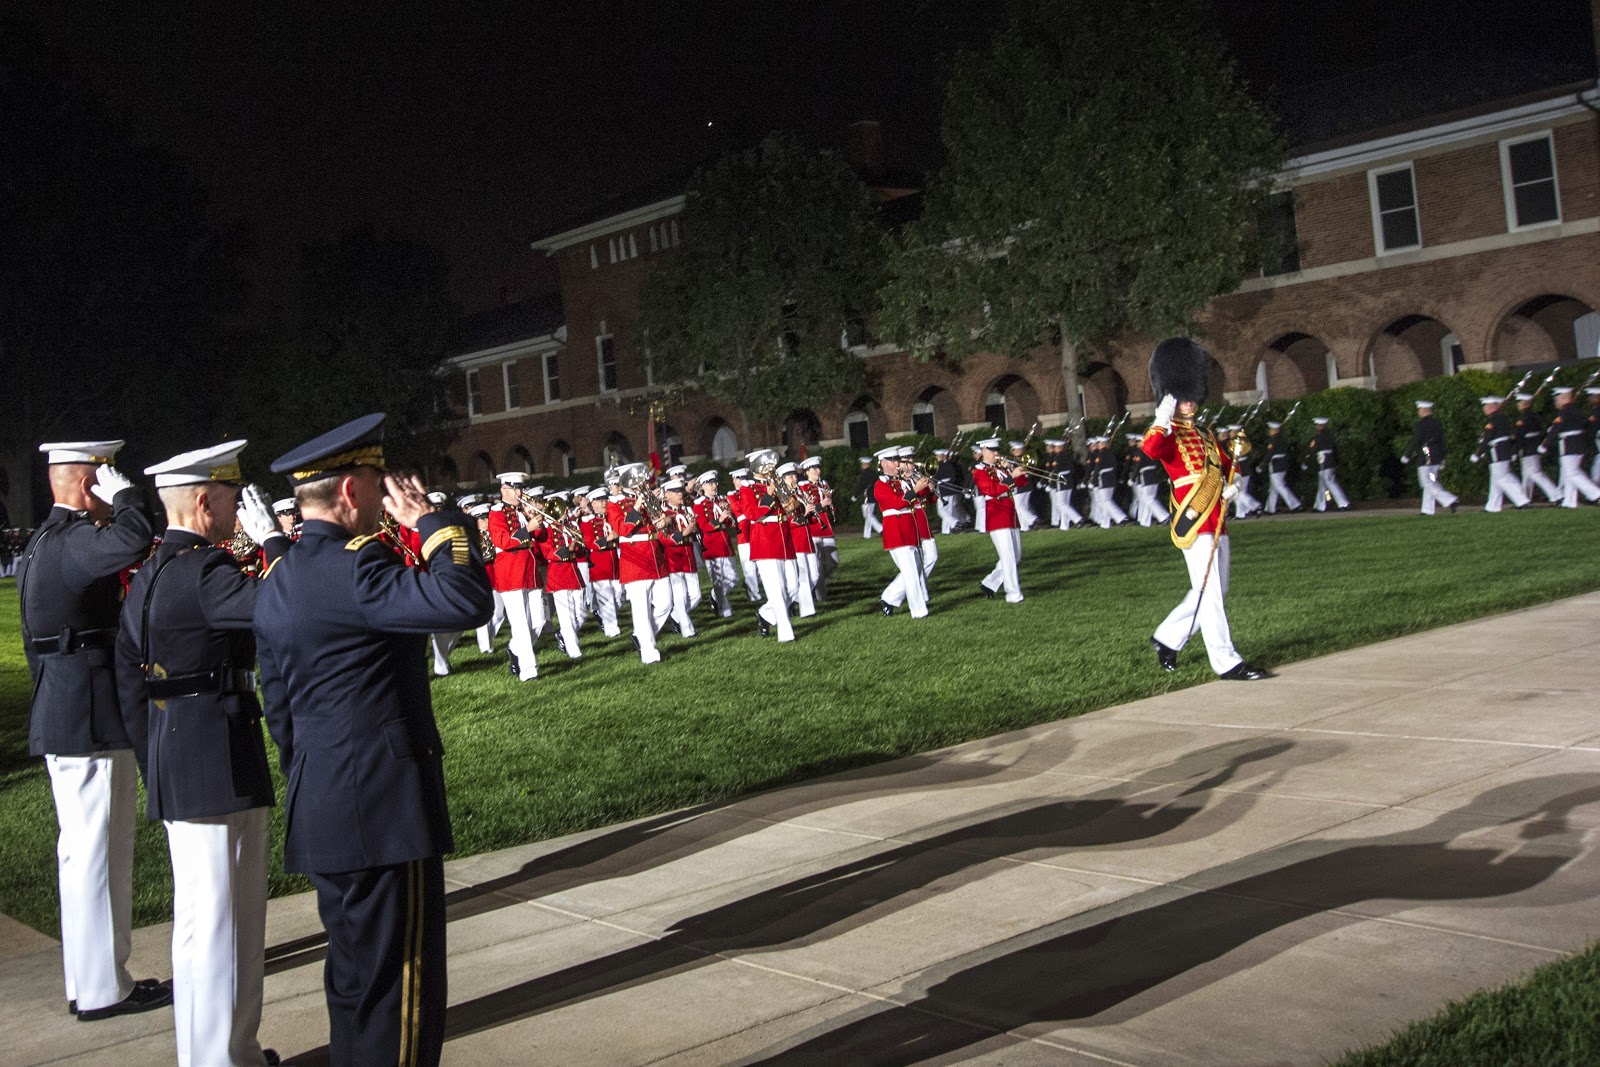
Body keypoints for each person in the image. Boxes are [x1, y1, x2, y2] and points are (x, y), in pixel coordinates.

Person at [255, 413, 492, 1067]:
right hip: (386, 813)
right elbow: (464, 599)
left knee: (356, 989)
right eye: (378, 482)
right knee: (403, 999)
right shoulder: (359, 568)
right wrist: (436, 524)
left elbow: (279, 709)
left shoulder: (277, 583)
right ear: (352, 493)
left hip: (323, 806)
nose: (390, 497)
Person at [116, 442, 286, 1067]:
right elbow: (286, 606)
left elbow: (128, 670)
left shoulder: (151, 574)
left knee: (198, 923)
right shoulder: (206, 571)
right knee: (229, 924)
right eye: (233, 497)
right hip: (219, 753)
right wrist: (274, 546)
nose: (239, 506)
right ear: (204, 500)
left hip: (178, 751)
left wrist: (154, 745)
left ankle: (208, 1054)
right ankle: (227, 1058)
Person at [18, 440, 170, 1022]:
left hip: (67, 709)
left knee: (81, 855)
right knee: (100, 855)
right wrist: (128, 496)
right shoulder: (76, 539)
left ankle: (90, 980)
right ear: (88, 485)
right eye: (103, 477)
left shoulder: (43, 542)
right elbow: (134, 538)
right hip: (89, 715)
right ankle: (107, 987)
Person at [1142, 338, 1268, 681]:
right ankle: (1226, 661)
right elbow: (1151, 449)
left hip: (1217, 516)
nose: (1191, 404)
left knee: (1213, 591)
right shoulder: (1168, 434)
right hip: (1193, 518)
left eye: (1193, 398)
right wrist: (1162, 416)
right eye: (1183, 398)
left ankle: (1167, 637)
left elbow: (1229, 464)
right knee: (1210, 594)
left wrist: (1235, 483)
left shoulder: (1205, 434)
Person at [609, 465, 673, 662]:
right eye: (637, 480)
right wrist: (637, 505)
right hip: (634, 558)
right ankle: (649, 653)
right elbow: (622, 529)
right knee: (641, 609)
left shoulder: (649, 498)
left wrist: (665, 520)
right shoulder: (615, 504)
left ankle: (642, 635)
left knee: (666, 603)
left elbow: (662, 517)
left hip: (655, 555)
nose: (643, 484)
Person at [488, 474, 546, 680]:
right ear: (504, 490)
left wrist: (538, 521)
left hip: (530, 571)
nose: (520, 493)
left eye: (520, 489)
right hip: (511, 572)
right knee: (520, 624)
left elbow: (541, 538)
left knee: (538, 621)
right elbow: (502, 540)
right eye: (515, 489)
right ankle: (528, 671)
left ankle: (514, 648)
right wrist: (527, 529)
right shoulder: (496, 512)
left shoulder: (522, 511)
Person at [739, 450, 799, 641]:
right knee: (776, 590)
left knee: (793, 586)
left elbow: (791, 506)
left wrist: (793, 504)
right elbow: (751, 513)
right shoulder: (747, 488)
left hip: (783, 536)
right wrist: (770, 493)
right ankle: (785, 632)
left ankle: (765, 614)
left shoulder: (777, 483)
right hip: (765, 539)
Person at [872, 447, 933, 618]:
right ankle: (919, 611)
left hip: (910, 529)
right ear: (883, 463)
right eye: (893, 460)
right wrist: (915, 490)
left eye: (897, 460)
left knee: (915, 570)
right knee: (911, 574)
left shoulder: (902, 481)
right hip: (896, 531)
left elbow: (921, 500)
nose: (897, 463)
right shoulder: (880, 484)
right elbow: (897, 503)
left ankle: (889, 598)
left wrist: (927, 487)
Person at [971, 438, 1025, 603]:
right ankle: (1013, 594)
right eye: (993, 450)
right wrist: (1010, 477)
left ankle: (990, 583)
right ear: (984, 451)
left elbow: (1020, 483)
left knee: (1015, 556)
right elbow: (991, 490)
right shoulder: (979, 471)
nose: (997, 453)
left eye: (997, 450)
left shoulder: (1001, 468)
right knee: (1008, 557)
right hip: (996, 513)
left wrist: (1017, 472)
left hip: (1009, 512)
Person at [1541, 385, 1600, 507]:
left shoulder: (1565, 412)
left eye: (1557, 399)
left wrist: (1545, 445)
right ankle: (1569, 501)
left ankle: (1596, 494)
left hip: (1570, 446)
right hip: (1577, 445)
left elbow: (1556, 429)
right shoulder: (1574, 410)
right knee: (1569, 475)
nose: (1555, 401)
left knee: (1573, 473)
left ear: (1564, 398)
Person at [656, 479, 700, 637]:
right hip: (673, 557)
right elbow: (663, 538)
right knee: (680, 596)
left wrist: (694, 528)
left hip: (688, 554)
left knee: (696, 595)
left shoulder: (685, 510)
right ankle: (688, 630)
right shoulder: (662, 513)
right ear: (667, 495)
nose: (680, 494)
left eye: (680, 491)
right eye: (676, 492)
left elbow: (692, 530)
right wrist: (684, 533)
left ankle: (676, 616)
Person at [1470, 395, 1530, 512]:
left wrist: (1478, 453)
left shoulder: (1492, 420)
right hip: (1502, 450)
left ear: (1492, 407)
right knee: (1496, 480)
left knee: (1502, 478)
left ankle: (1522, 500)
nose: (1484, 408)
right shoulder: (1502, 418)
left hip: (1497, 451)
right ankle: (1492, 506)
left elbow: (1488, 439)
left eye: (1486, 406)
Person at [1400, 400, 1458, 515]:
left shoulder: (1421, 424)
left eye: (1420, 410)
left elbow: (1416, 440)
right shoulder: (1437, 423)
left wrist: (1407, 455)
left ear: (1424, 410)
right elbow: (1442, 440)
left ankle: (1450, 500)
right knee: (1432, 481)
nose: (1419, 412)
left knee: (1426, 482)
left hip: (1426, 453)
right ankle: (1427, 509)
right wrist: (1442, 457)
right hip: (1436, 454)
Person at [692, 472, 739, 617]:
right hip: (711, 544)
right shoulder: (699, 504)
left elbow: (731, 523)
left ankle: (714, 595)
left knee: (733, 577)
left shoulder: (721, 499)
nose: (714, 486)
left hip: (725, 541)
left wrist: (729, 515)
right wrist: (720, 520)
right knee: (718, 579)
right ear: (703, 486)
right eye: (710, 484)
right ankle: (724, 610)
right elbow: (703, 526)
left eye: (715, 483)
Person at [579, 488, 624, 637]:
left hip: (615, 561)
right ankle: (612, 630)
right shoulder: (588, 521)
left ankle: (600, 612)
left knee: (619, 596)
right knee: (607, 598)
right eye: (600, 500)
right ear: (593, 503)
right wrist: (609, 538)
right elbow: (590, 543)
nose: (604, 503)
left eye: (605, 499)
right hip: (599, 563)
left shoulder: (612, 517)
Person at [800, 457, 838, 600]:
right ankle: (820, 595)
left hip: (826, 528)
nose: (818, 471)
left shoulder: (824, 485)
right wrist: (822, 505)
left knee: (833, 561)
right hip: (813, 527)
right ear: (807, 472)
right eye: (814, 469)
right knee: (816, 564)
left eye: (818, 468)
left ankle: (819, 588)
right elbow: (805, 509)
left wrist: (830, 505)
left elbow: (830, 506)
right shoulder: (803, 487)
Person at [1512, 393, 1562, 503]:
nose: (1517, 404)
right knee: (1527, 476)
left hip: (1527, 448)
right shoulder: (1534, 415)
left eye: (1519, 402)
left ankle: (1557, 495)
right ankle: (1524, 500)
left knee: (1536, 474)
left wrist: (1515, 450)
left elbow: (1520, 436)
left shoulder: (1523, 417)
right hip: (1534, 446)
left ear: (1523, 403)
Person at [728, 467, 762, 600]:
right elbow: (738, 507)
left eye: (743, 479)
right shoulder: (732, 495)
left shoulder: (750, 490)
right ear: (733, 481)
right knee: (748, 565)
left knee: (760, 563)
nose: (740, 482)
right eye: (738, 479)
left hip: (754, 530)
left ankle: (754, 586)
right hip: (743, 533)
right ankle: (754, 595)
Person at [1304, 416, 1350, 511]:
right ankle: (1320, 506)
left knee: (1330, 483)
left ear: (1320, 426)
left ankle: (1343, 504)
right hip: (1329, 461)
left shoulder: (1318, 437)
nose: (1317, 427)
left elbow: (1314, 449)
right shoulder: (1329, 435)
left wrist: (1307, 460)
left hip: (1324, 461)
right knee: (1322, 485)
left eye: (1317, 425)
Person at [1125, 432, 1171, 527]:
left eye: (1138, 442)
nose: (1137, 444)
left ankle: (1164, 516)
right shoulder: (1150, 451)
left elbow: (1137, 466)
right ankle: (1144, 521)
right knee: (1148, 499)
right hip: (1153, 477)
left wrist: (1132, 478)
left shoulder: (1141, 452)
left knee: (1149, 499)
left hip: (1146, 478)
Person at [1262, 421, 1301, 513]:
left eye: (1271, 429)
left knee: (1279, 486)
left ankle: (1295, 504)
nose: (1270, 431)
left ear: (1275, 430)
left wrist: (1263, 464)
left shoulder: (1274, 440)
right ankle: (1270, 508)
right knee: (1274, 487)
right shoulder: (1282, 439)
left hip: (1276, 464)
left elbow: (1270, 453)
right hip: (1282, 464)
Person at [1043, 440, 1082, 529]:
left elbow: (1056, 471)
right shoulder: (1067, 456)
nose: (1054, 449)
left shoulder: (1058, 457)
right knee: (1065, 503)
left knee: (1061, 504)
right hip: (1069, 481)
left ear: (1059, 448)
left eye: (1055, 447)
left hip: (1061, 482)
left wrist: (1051, 485)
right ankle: (1064, 525)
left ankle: (1077, 519)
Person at [855, 455, 881, 538]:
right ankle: (866, 534)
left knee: (868, 515)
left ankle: (881, 528)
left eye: (862, 464)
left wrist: (855, 495)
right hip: (874, 496)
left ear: (865, 464)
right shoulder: (874, 473)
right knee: (868, 515)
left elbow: (861, 485)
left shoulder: (864, 474)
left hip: (867, 496)